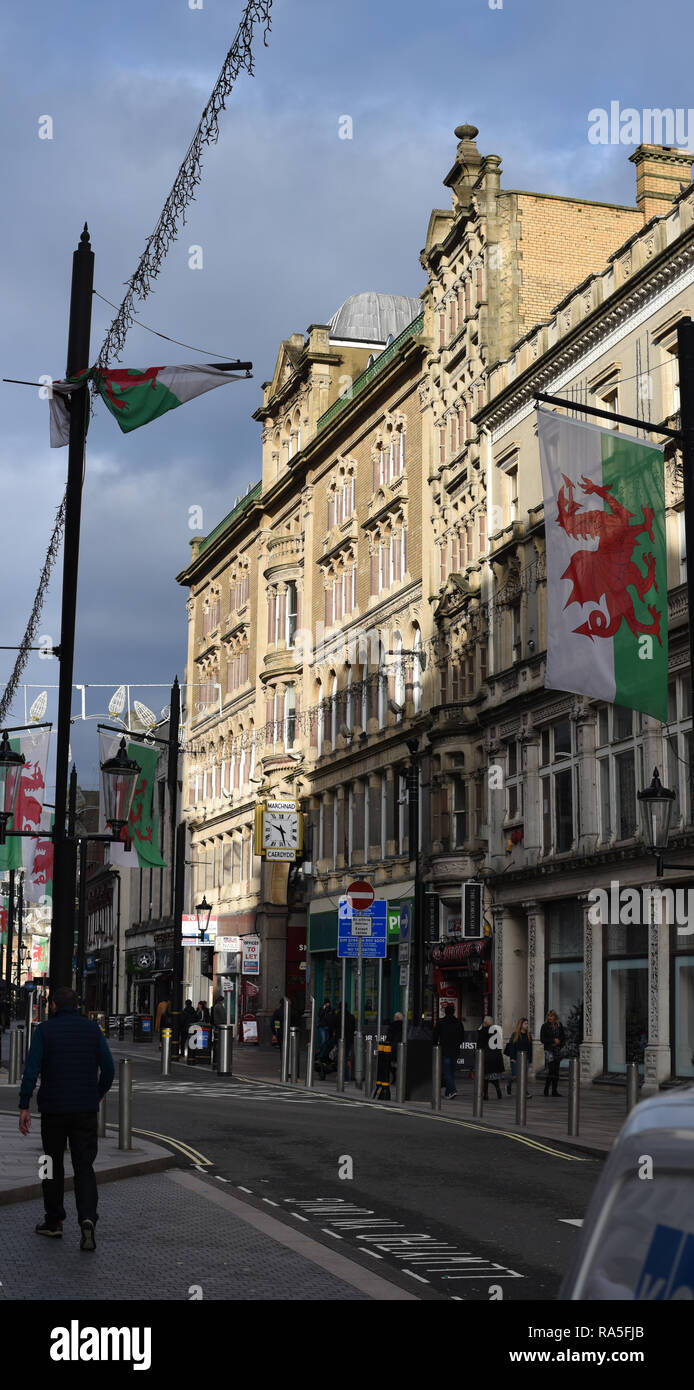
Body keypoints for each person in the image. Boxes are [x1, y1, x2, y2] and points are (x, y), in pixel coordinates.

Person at [18, 986, 115, 1251]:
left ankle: (54, 1221)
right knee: (84, 1166)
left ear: (53, 1007)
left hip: (53, 1110)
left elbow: (31, 1069)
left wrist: (24, 1104)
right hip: (84, 1109)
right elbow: (108, 1068)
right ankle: (87, 1218)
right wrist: (97, 1093)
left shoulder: (45, 1031)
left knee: (50, 1163)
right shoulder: (92, 1030)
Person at [433, 1004, 464, 1098]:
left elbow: (435, 1036)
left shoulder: (441, 1022)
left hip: (445, 1050)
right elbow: (462, 1037)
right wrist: (457, 1044)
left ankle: (453, 1090)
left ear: (445, 1012)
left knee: (446, 1072)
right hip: (455, 1050)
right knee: (451, 1071)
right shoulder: (458, 1023)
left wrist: (436, 1045)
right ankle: (448, 1092)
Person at [477, 1015, 506, 1099]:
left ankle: (485, 1094)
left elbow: (480, 1044)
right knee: (493, 1075)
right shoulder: (496, 1031)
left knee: (485, 1076)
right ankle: (498, 1090)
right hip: (495, 1056)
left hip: (486, 1056)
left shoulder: (483, 1031)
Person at [505, 1017, 533, 1098]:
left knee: (524, 1076)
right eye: (525, 1023)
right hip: (516, 1058)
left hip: (525, 1059)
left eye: (527, 1023)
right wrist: (512, 1058)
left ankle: (525, 1092)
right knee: (515, 1075)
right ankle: (509, 1084)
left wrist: (530, 1059)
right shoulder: (515, 1034)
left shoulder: (529, 1035)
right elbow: (511, 1047)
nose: (527, 1025)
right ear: (521, 1025)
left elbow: (530, 1048)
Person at [540, 1009, 566, 1097]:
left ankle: (554, 1090)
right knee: (551, 1070)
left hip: (557, 1050)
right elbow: (542, 1039)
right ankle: (546, 1088)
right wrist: (552, 1040)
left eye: (551, 1016)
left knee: (556, 1071)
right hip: (549, 1050)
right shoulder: (544, 1026)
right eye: (548, 1016)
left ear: (555, 1017)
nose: (549, 1017)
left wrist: (559, 1042)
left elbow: (563, 1036)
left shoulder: (559, 1025)